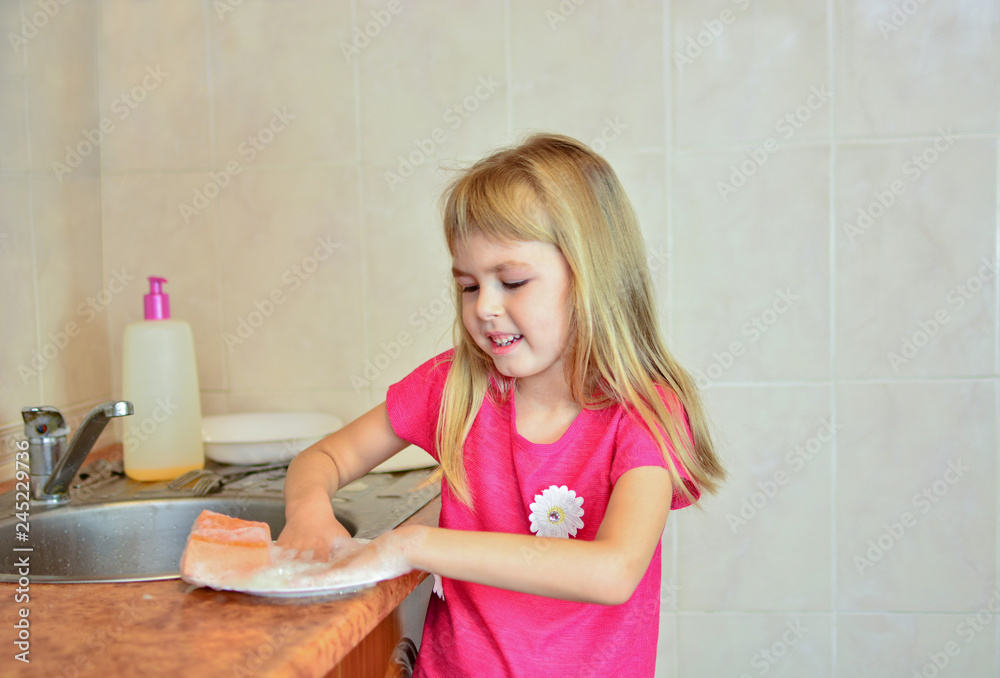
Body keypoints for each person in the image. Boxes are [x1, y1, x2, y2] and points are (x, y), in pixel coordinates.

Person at [277, 133, 726, 676]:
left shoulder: (643, 412)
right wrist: (307, 513)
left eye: (511, 281)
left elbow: (614, 571)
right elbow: (323, 459)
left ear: (591, 279)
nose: (485, 307)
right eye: (468, 286)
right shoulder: (454, 387)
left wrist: (415, 545)